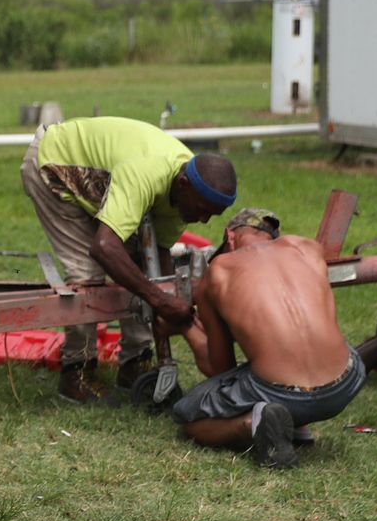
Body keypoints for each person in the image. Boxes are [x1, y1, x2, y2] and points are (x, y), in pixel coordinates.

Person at [20, 115, 237, 402]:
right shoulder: (146, 173)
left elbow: (156, 265)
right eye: (201, 209)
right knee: (88, 274)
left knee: (144, 269)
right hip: (54, 165)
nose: (204, 220)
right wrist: (160, 300)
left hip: (102, 181)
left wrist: (174, 300)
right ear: (183, 183)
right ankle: (76, 373)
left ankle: (136, 363)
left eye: (212, 214)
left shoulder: (187, 190)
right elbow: (104, 248)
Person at [167, 208, 366, 469]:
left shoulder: (218, 271)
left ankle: (255, 422)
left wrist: (185, 326)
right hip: (347, 381)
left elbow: (219, 368)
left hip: (283, 394)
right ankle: (296, 424)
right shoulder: (306, 247)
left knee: (188, 417)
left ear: (230, 236)